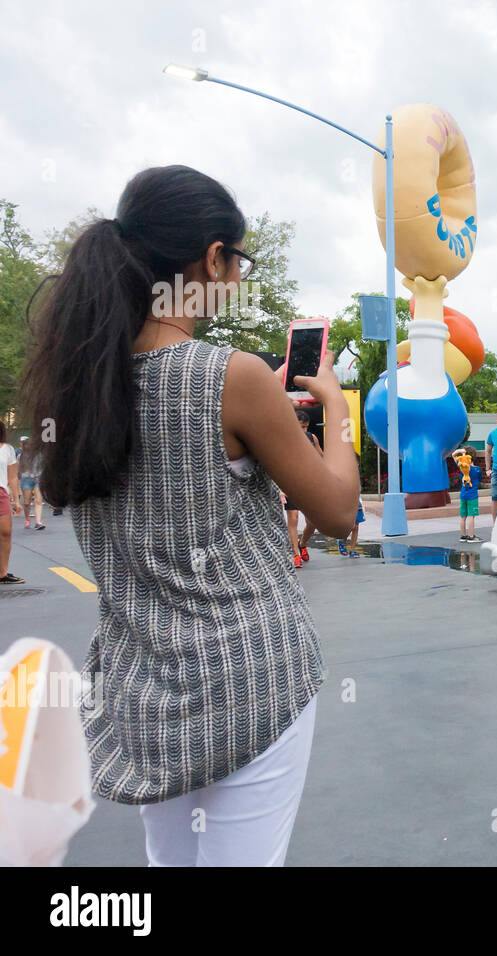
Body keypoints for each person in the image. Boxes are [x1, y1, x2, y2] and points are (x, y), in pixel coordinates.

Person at [19, 165, 361, 866]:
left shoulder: (78, 383)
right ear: (212, 258)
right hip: (251, 680)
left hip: (142, 690)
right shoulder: (231, 376)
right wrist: (333, 409)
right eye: (237, 261)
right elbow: (339, 513)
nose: (235, 278)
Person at [286, 409, 324, 567]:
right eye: (300, 427)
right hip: (290, 483)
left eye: (306, 427)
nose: (303, 430)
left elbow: (321, 458)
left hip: (308, 485)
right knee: (293, 518)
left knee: (312, 523)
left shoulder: (311, 438)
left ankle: (302, 543)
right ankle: (295, 554)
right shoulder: (284, 439)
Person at [0, 422, 21, 584]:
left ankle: (2, 573)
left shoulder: (7, 449)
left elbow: (13, 476)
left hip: (2, 493)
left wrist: (16, 500)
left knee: (6, 533)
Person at [454, 448, 482, 542]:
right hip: (472, 496)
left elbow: (453, 455)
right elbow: (480, 479)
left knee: (463, 517)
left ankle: (463, 536)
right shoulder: (477, 469)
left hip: (463, 495)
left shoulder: (461, 467)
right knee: (471, 516)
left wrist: (460, 452)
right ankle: (471, 536)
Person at [18, 436, 45, 530]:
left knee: (38, 500)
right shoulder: (20, 456)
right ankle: (27, 519)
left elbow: (43, 466)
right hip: (26, 479)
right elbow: (19, 470)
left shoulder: (39, 454)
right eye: (27, 445)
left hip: (38, 478)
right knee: (26, 503)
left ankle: (38, 522)